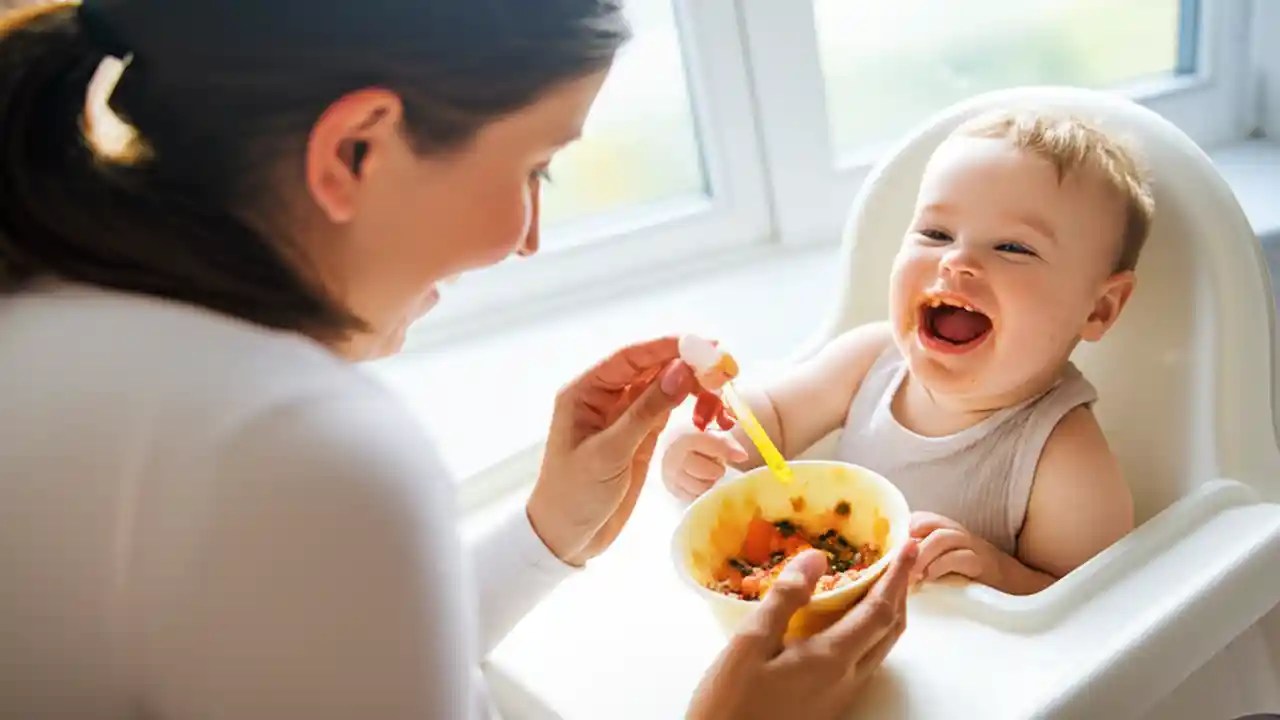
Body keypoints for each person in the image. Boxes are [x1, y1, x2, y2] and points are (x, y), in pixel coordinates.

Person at [0, 2, 916, 719]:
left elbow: (322, 667)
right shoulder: (296, 446)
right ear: (356, 148)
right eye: (535, 168)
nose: (529, 237)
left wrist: (547, 532)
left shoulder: (53, 315)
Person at [662, 109, 1148, 595]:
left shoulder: (1066, 461)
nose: (956, 260)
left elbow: (1090, 608)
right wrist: (711, 443)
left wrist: (992, 570)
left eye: (1013, 248)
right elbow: (774, 417)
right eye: (936, 234)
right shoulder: (871, 359)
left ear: (1098, 309)